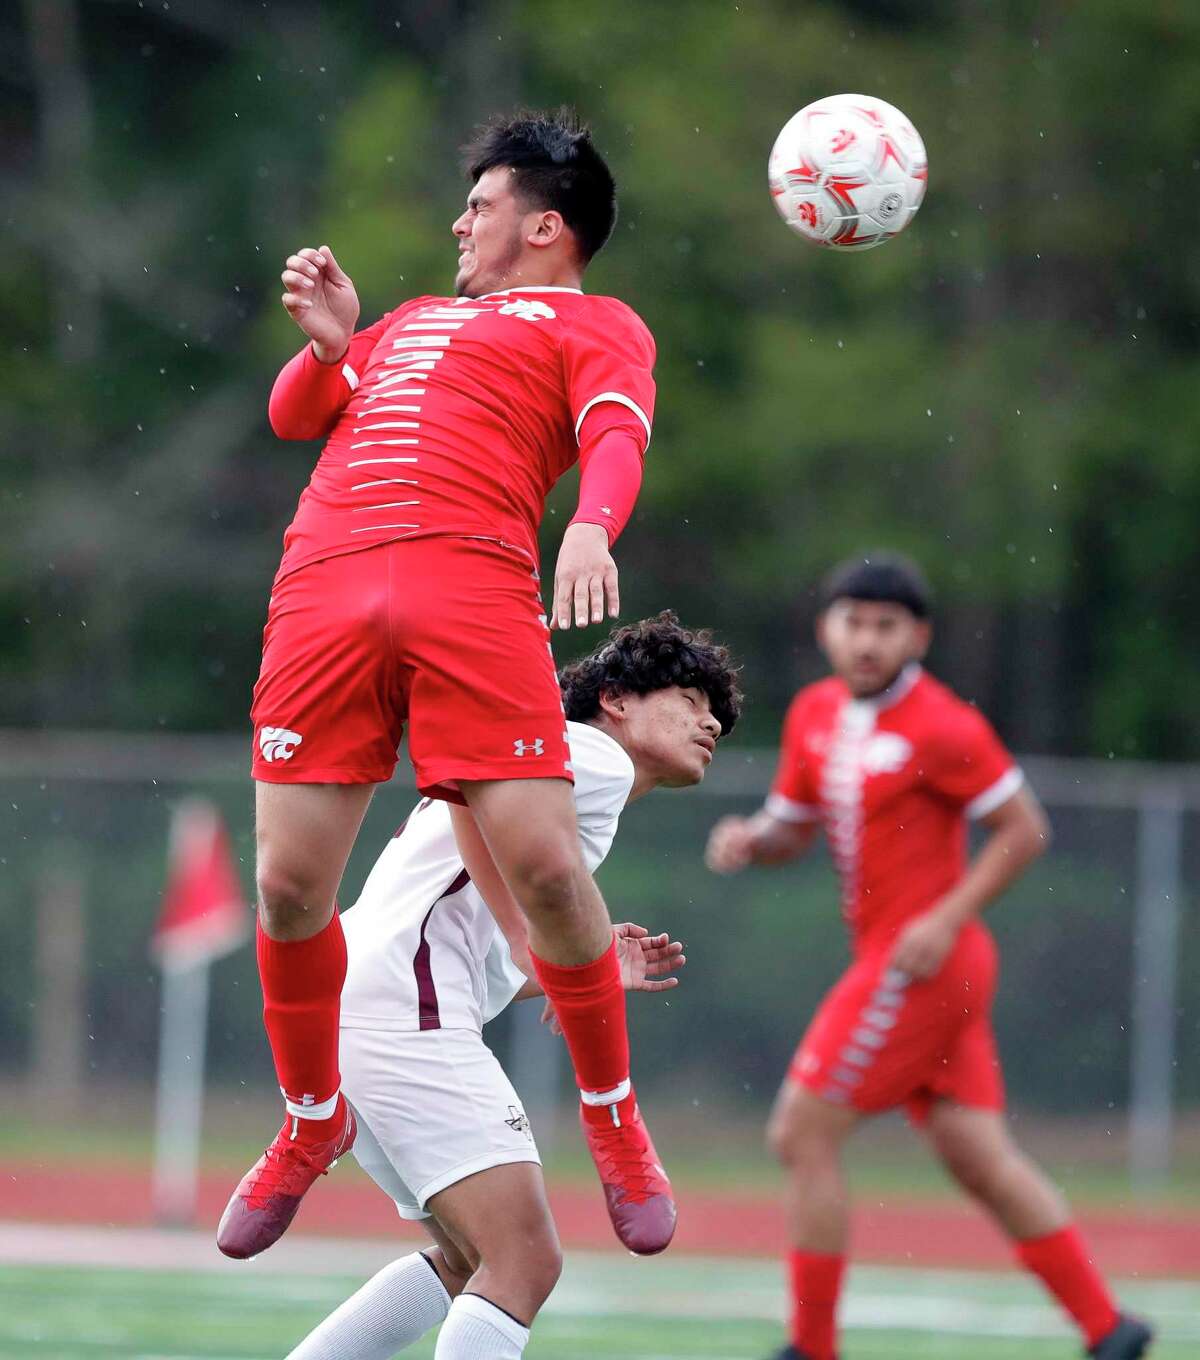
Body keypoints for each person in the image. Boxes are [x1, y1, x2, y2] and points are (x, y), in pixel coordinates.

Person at [218, 110, 673, 1261]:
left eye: (480, 205)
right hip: (325, 585)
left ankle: (612, 1115)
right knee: (285, 888)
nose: (460, 224)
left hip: (471, 585)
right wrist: (331, 348)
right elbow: (294, 416)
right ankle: (311, 1118)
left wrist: (592, 526)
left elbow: (615, 431)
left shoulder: (599, 322)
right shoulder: (411, 320)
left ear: (546, 225)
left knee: (547, 868)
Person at [705, 554, 1153, 1360]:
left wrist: (946, 918)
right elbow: (793, 828)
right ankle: (1111, 1329)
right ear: (825, 629)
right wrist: (751, 840)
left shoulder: (944, 724)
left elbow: (1025, 829)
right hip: (912, 966)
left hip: (921, 966)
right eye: (853, 622)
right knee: (979, 1158)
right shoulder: (813, 712)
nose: (867, 641)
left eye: (887, 626)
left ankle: (811, 1348)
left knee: (801, 1134)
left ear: (919, 637)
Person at [281, 613, 741, 1360]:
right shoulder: (593, 757)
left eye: (715, 712)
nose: (710, 721)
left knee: (468, 1261)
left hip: (363, 1002)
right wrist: (559, 961)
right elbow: (466, 783)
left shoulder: (550, 775)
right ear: (616, 700)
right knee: (524, 1261)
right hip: (403, 1005)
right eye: (689, 699)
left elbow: (472, 936)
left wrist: (580, 970)